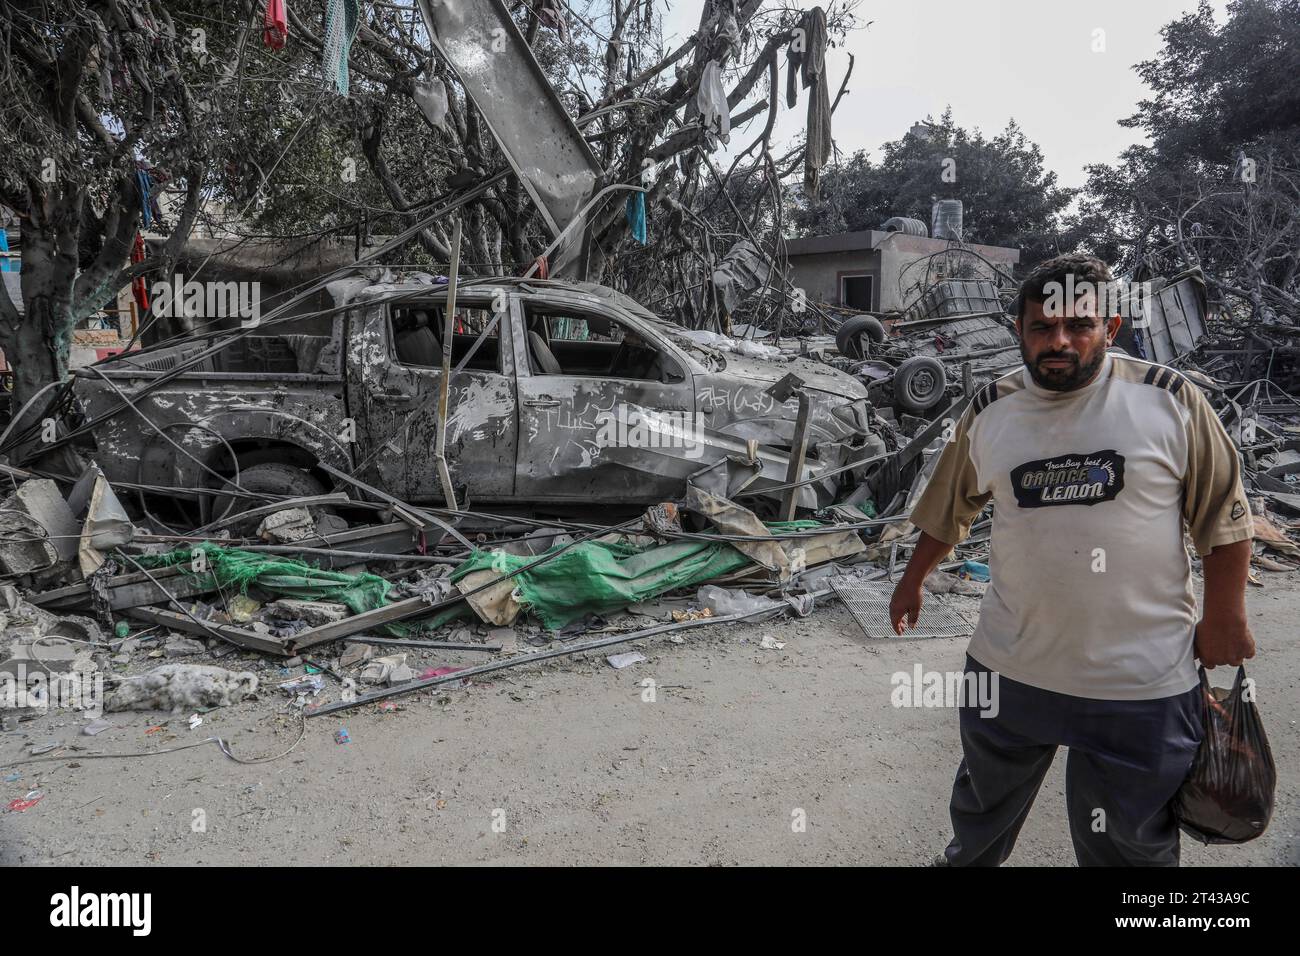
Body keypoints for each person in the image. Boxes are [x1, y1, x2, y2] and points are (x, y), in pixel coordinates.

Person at [890, 253, 1256, 866]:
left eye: (1077, 326)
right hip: (1010, 668)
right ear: (1020, 331)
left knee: (1128, 845)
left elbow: (1225, 515)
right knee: (980, 818)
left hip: (1141, 682)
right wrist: (911, 581)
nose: (1057, 342)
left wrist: (1226, 613)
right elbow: (945, 508)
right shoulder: (990, 410)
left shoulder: (1169, 402)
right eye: (1040, 328)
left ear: (1110, 328)